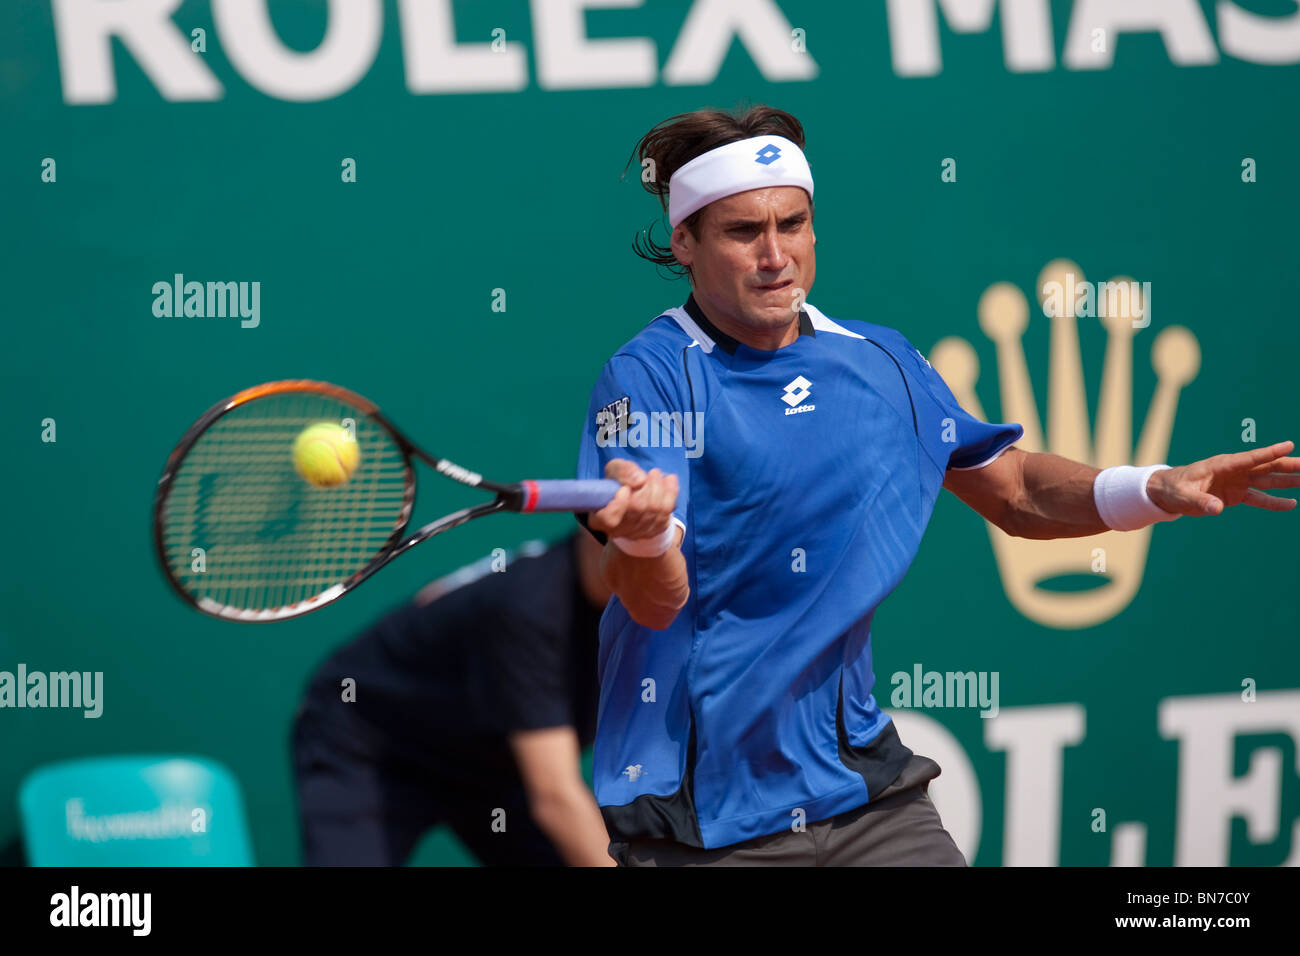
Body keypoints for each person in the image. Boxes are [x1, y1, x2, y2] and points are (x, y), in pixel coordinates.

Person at [575, 103, 1300, 866]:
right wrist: (646, 539)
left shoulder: (879, 361)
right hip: (704, 813)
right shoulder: (649, 378)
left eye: (793, 224)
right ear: (684, 242)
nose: (775, 256)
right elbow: (652, 601)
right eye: (743, 232)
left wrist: (1155, 486)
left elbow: (1016, 493)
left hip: (864, 790)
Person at [290, 531, 617, 866]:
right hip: (367, 740)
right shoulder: (528, 602)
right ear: (590, 527)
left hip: (498, 759)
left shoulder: (646, 618)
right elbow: (555, 796)